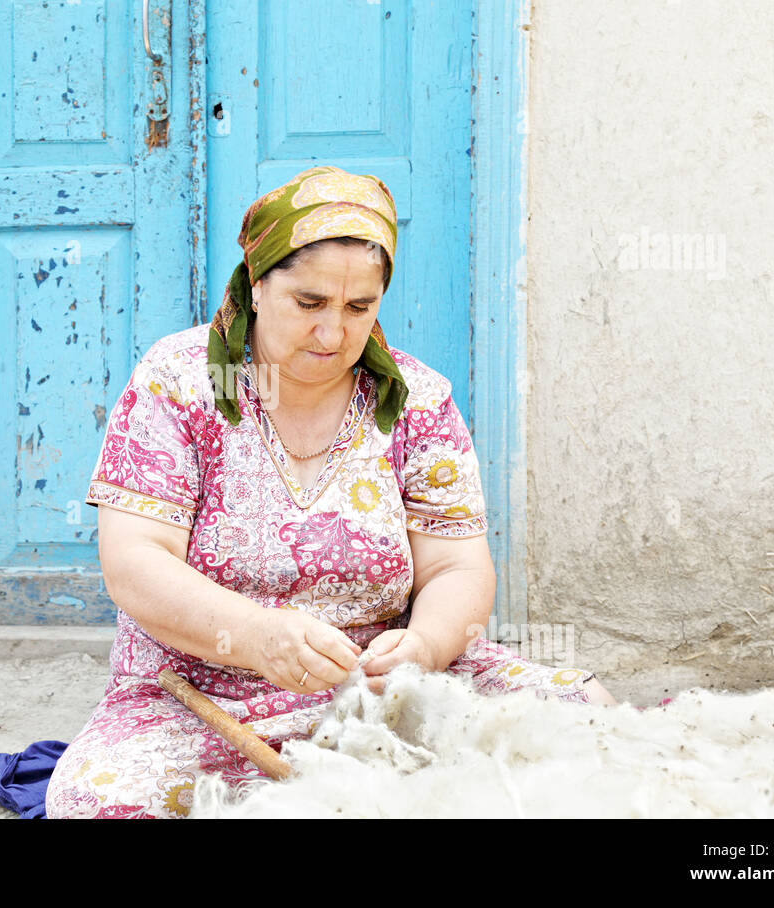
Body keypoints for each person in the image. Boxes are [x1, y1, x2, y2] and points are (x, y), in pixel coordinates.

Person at [44, 165, 617, 819]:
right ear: (257, 285)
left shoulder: (415, 401)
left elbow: (457, 565)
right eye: (309, 303)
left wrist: (424, 648)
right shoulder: (182, 384)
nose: (333, 334)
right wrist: (257, 636)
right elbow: (134, 562)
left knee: (589, 723)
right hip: (205, 688)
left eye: (358, 308)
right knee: (96, 802)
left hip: (381, 690)